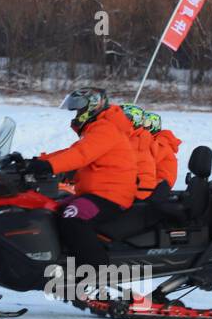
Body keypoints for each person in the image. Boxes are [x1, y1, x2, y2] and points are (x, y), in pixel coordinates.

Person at [19, 88, 136, 270]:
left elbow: (81, 155)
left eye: (80, 110)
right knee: (52, 208)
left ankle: (95, 270)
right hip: (96, 192)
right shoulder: (97, 127)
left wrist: (49, 167)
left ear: (92, 107)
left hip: (110, 195)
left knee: (73, 217)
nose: (77, 115)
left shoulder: (106, 128)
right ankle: (65, 264)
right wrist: (34, 161)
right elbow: (71, 152)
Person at [120, 103, 161, 201]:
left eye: (122, 117)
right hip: (137, 191)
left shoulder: (135, 142)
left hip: (137, 195)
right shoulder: (136, 138)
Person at [144, 111, 181, 191]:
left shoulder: (162, 143)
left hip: (159, 186)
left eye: (146, 125)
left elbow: (148, 160)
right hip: (154, 183)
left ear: (154, 125)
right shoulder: (154, 141)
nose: (143, 127)